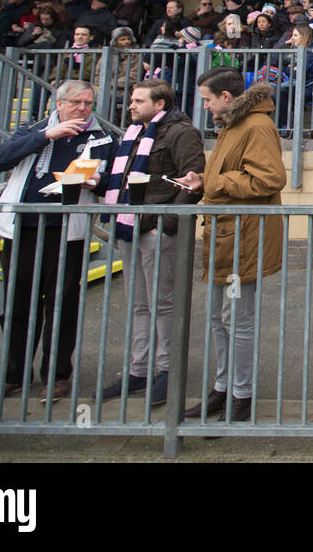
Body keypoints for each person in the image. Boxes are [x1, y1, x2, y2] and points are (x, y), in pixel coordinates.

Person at [0, 80, 114, 408]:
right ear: (59, 103)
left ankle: (57, 374)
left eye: (88, 103)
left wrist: (96, 181)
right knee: (17, 302)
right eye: (76, 102)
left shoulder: (101, 136)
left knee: (62, 302)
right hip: (21, 227)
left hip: (67, 229)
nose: (82, 109)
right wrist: (45, 137)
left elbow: (109, 181)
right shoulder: (34, 128)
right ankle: (13, 374)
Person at [177, 68, 287, 423]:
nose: (205, 107)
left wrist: (216, 182)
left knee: (237, 320)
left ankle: (241, 397)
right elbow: (230, 174)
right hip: (226, 235)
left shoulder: (256, 126)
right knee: (218, 318)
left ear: (226, 98)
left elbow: (270, 177)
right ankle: (222, 390)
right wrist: (204, 180)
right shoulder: (234, 124)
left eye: (208, 100)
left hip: (245, 237)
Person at [98, 79, 205, 405]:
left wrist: (167, 225)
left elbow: (193, 181)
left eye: (138, 100)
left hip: (157, 229)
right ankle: (138, 370)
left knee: (163, 303)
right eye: (131, 100)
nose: (130, 105)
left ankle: (167, 371)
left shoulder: (181, 132)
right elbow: (125, 178)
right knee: (139, 304)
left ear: (159, 104)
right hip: (129, 226)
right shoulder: (132, 134)